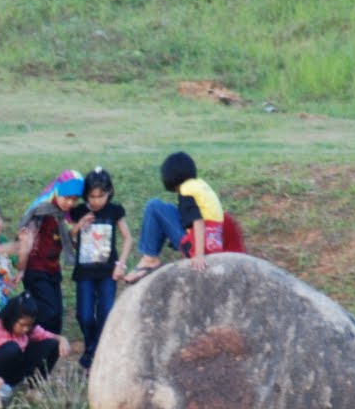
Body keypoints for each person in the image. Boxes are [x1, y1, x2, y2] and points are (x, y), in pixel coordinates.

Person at [124, 151, 243, 283]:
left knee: (154, 206)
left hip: (195, 246)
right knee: (167, 208)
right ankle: (149, 258)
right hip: (212, 241)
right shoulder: (201, 187)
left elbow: (198, 221)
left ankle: (149, 259)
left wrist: (199, 255)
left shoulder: (187, 193)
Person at [66, 166, 132, 368]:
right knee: (84, 315)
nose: (95, 201)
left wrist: (120, 264)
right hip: (84, 272)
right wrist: (79, 225)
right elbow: (69, 238)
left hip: (107, 272)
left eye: (100, 196)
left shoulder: (114, 211)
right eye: (91, 196)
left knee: (105, 312)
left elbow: (128, 238)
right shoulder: (78, 211)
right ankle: (91, 345)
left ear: (109, 193)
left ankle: (93, 352)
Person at [0, 293, 70, 409]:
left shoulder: (29, 329)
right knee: (11, 349)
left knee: (52, 344)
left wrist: (62, 339)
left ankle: (33, 390)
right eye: (22, 325)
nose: (26, 329)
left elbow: (47, 336)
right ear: (11, 318)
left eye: (29, 325)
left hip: (9, 375)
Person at [15, 170, 83, 335]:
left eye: (74, 199)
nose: (70, 203)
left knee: (57, 316)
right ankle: (34, 349)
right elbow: (25, 240)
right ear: (58, 190)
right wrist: (21, 268)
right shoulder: (41, 210)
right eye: (67, 197)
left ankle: (50, 353)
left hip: (52, 270)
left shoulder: (63, 215)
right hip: (35, 269)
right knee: (47, 313)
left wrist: (79, 226)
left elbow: (68, 238)